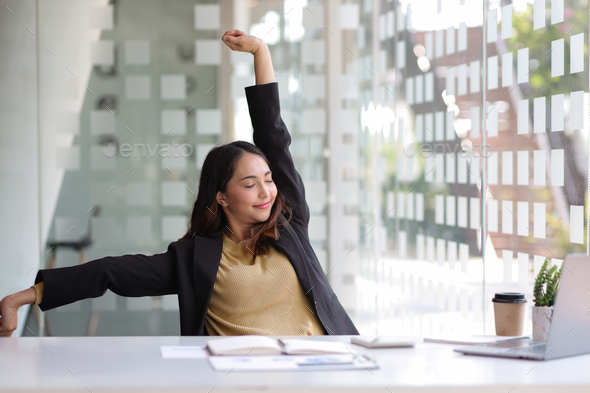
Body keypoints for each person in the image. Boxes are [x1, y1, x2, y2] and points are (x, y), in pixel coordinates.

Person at [0, 30, 359, 337]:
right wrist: (22, 297)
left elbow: (273, 136)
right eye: (250, 184)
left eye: (268, 180)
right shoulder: (196, 259)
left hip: (325, 368)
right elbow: (111, 272)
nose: (266, 191)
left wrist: (260, 52)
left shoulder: (290, 227)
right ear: (220, 197)